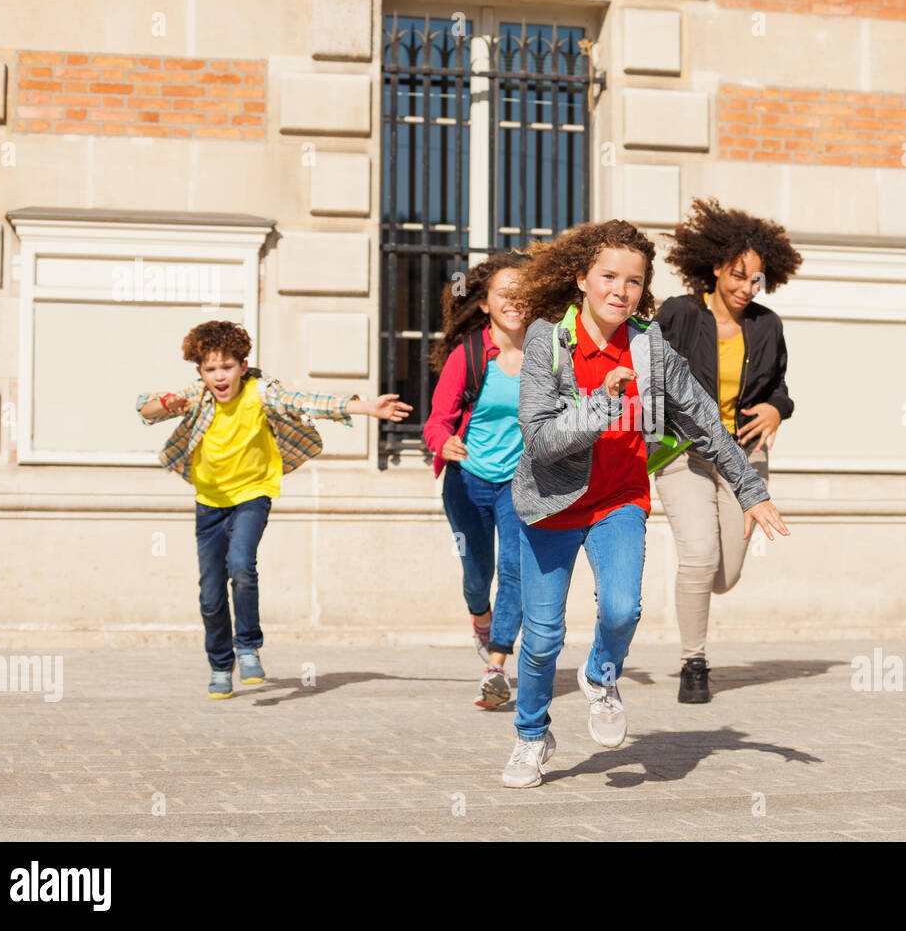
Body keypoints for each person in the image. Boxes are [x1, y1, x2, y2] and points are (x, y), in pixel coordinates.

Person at [500, 219, 790, 788]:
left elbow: (704, 420)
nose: (620, 290)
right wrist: (602, 406)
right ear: (582, 278)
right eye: (608, 276)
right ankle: (531, 737)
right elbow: (538, 436)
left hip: (619, 498)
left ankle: (601, 676)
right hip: (550, 502)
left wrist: (751, 491)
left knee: (622, 610)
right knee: (540, 639)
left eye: (633, 281)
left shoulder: (649, 345)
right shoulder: (547, 338)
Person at [136, 321, 411, 699]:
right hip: (209, 502)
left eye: (227, 367)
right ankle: (220, 665)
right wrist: (169, 404)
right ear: (199, 372)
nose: (220, 376)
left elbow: (306, 401)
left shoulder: (260, 392)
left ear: (243, 366)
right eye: (211, 369)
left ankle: (247, 647)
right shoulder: (196, 396)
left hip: (253, 493)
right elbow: (146, 409)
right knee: (210, 593)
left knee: (242, 566)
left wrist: (363, 406)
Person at [654, 198, 802, 703]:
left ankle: (701, 601)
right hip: (682, 453)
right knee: (698, 557)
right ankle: (693, 662)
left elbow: (778, 386)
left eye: (754, 280)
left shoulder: (767, 325)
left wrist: (778, 409)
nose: (744, 288)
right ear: (715, 268)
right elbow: (649, 373)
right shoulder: (679, 314)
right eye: (737, 275)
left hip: (745, 457)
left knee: (725, 575)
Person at [423, 252, 528, 709]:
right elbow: (436, 422)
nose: (514, 301)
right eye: (505, 293)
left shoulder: (547, 354)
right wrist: (442, 443)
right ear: (485, 303)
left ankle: (498, 666)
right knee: (477, 574)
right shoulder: (467, 356)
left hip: (521, 482)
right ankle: (479, 618)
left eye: (522, 294)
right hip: (468, 481)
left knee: (515, 571)